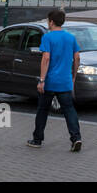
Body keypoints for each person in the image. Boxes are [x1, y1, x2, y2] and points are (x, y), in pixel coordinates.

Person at [28, 8, 82, 150]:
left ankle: (37, 140)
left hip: (50, 81)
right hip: (65, 81)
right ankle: (76, 138)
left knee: (42, 110)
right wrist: (74, 76)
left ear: (51, 22)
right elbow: (77, 58)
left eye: (48, 21)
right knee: (69, 110)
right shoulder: (71, 38)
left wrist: (42, 80)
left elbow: (46, 58)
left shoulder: (48, 37)